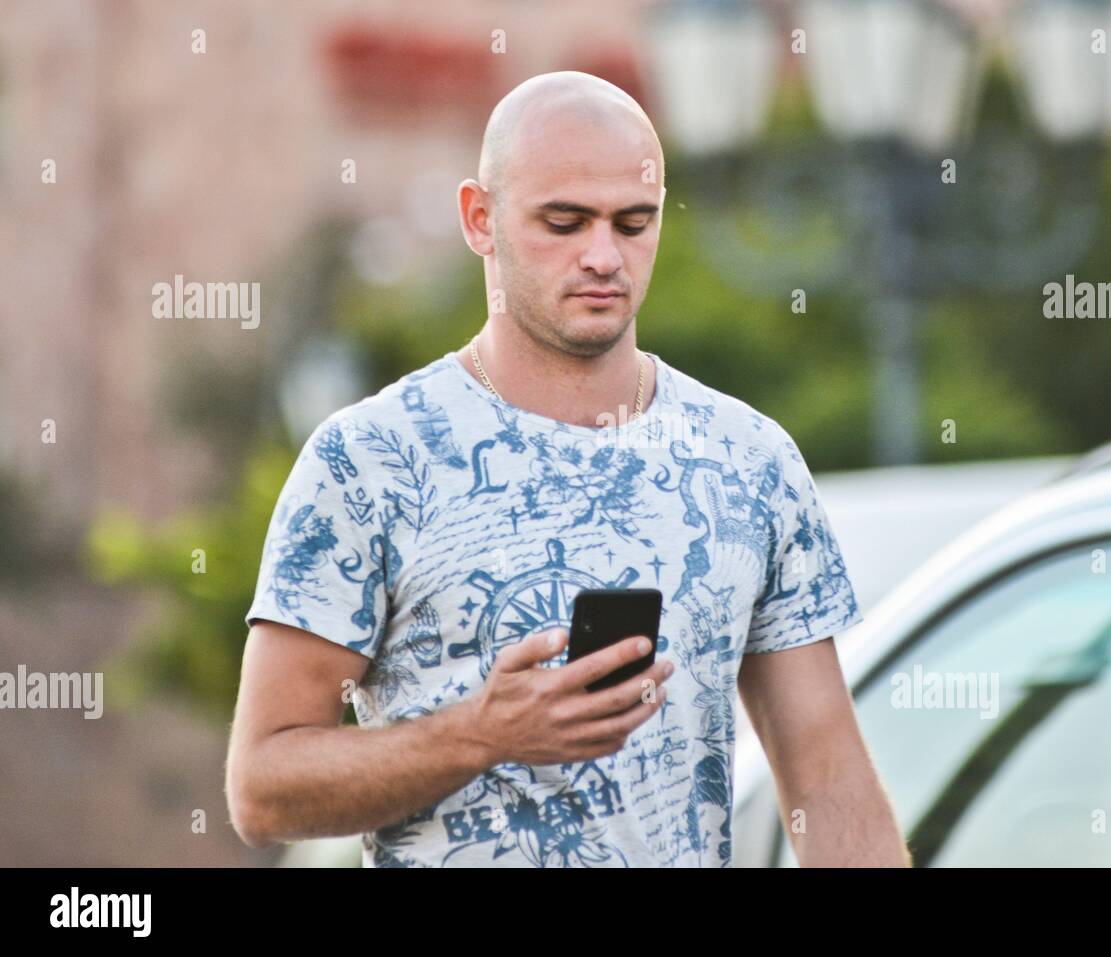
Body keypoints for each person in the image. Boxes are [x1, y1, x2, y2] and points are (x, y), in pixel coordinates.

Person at [225, 71, 909, 868]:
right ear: (480, 219)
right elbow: (261, 787)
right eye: (564, 221)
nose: (603, 255)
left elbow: (827, 777)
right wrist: (481, 732)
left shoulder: (750, 461)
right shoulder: (369, 461)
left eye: (633, 222)